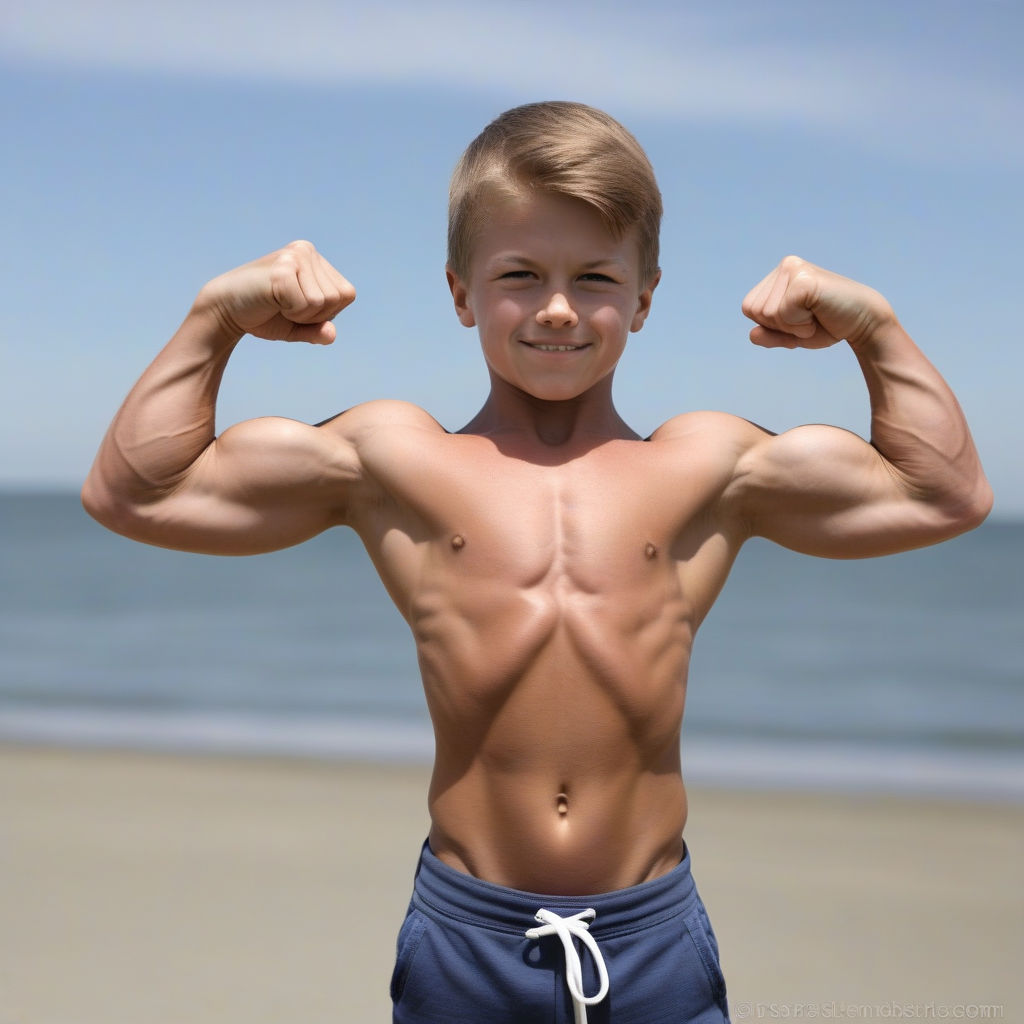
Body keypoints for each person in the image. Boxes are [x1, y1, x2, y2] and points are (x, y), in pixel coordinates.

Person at [82, 101, 992, 1024]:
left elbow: (943, 494)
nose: (558, 307)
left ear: (644, 297)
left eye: (595, 277)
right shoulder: (397, 459)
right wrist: (215, 318)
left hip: (651, 936)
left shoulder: (705, 466)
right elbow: (136, 493)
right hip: (468, 937)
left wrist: (875, 327)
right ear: (461, 292)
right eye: (520, 274)